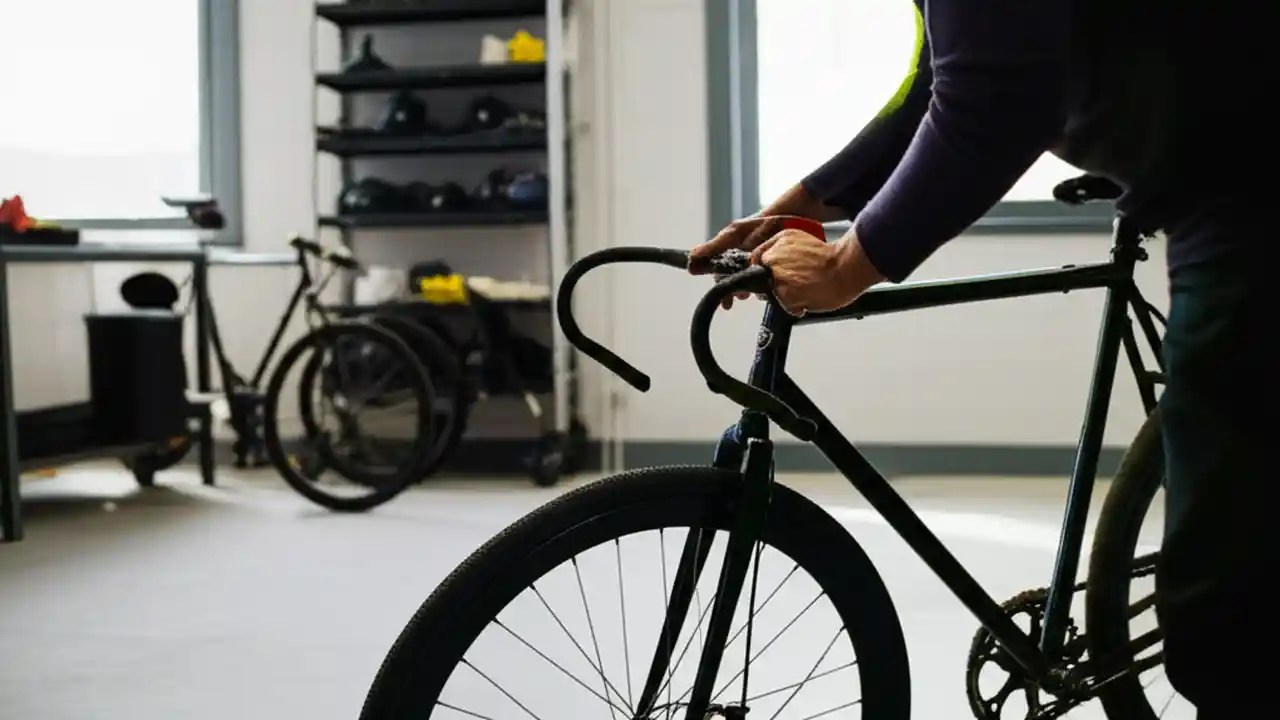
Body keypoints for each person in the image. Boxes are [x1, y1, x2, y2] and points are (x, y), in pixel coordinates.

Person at [691, 1, 1264, 717]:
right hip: (1204, 161)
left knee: (1227, 592)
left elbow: (993, 103)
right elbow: (933, 85)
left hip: (1247, 177)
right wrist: (796, 207)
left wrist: (843, 266)